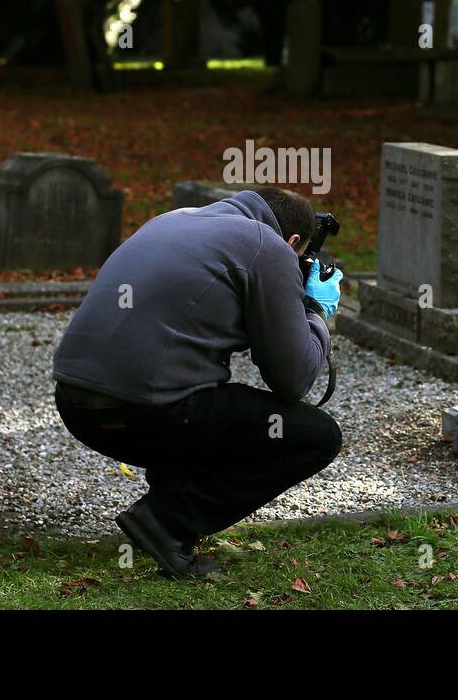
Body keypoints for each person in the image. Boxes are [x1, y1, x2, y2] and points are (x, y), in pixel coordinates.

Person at [53, 186, 344, 579]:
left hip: (78, 407)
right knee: (317, 435)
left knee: (200, 396)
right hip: (146, 412)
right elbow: (293, 379)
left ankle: (165, 513)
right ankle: (165, 522)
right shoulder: (268, 246)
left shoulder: (173, 219)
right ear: (293, 241)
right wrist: (315, 313)